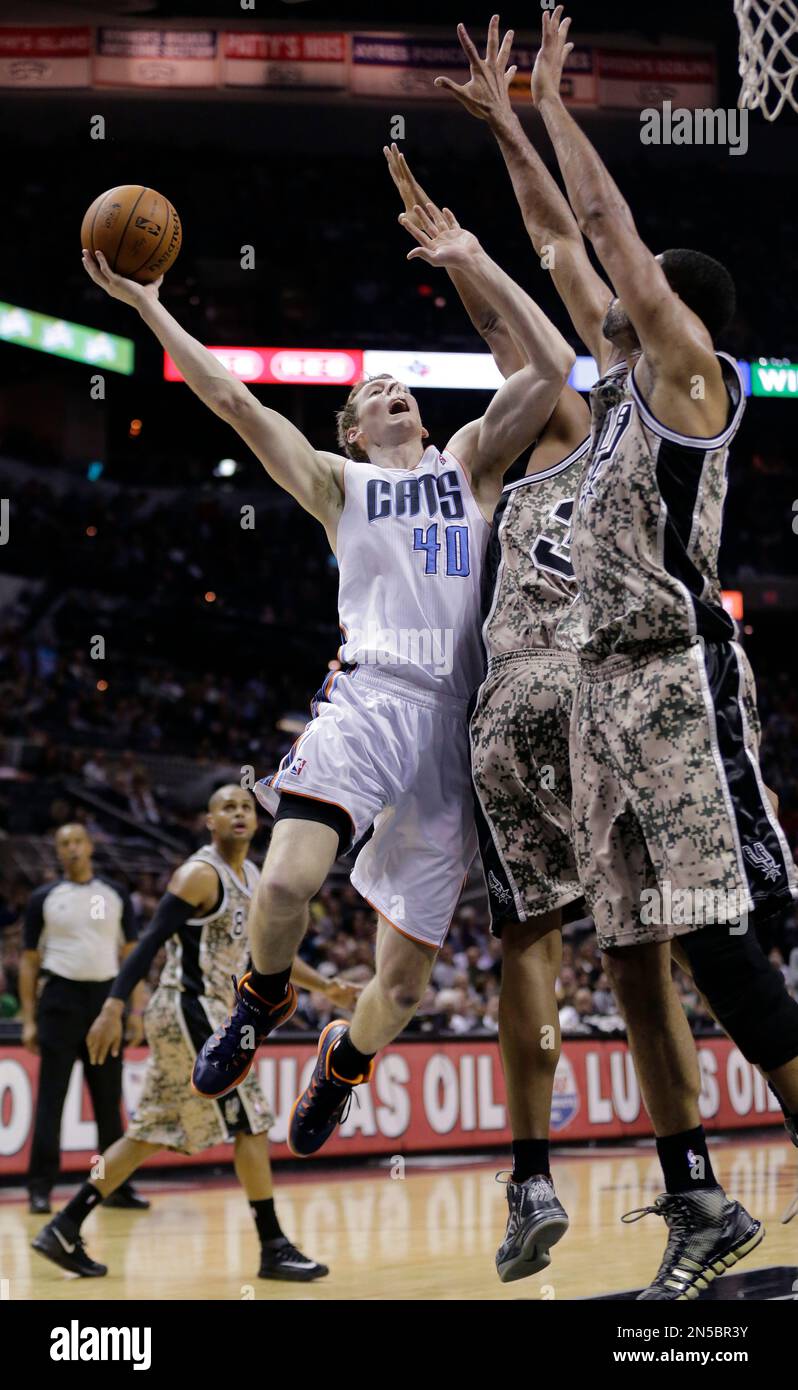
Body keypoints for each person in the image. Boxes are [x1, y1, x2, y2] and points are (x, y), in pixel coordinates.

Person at [81, 190, 575, 1155]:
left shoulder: (468, 464)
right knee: (282, 886)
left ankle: (342, 1063)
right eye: (376, 391)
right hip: (372, 697)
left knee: (400, 987)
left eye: (405, 387)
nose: (397, 392)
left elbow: (554, 367)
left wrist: (470, 258)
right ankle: (258, 1002)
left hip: (457, 734)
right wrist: (147, 306)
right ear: (352, 427)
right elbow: (229, 398)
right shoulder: (335, 483)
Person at [523, 7, 798, 1298]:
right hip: (595, 695)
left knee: (724, 941)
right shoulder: (627, 378)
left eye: (642, 300)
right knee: (633, 954)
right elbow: (559, 242)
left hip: (677, 683)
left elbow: (614, 250)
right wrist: (510, 120)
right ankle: (697, 1198)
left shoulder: (696, 378)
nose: (619, 309)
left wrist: (562, 103)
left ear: (680, 311)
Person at [384, 133, 588, 1282]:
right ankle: (682, 1174)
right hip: (579, 702)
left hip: (541, 697)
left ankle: (534, 1175)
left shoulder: (568, 423)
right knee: (673, 952)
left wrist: (469, 253)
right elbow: (536, 343)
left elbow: (541, 347)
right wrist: (464, 257)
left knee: (536, 953)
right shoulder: (587, 427)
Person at [32, 786, 356, 1282]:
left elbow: (272, 959)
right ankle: (273, 1245)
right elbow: (147, 944)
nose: (240, 814)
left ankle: (64, 1223)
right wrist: (114, 1006)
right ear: (209, 820)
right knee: (250, 1122)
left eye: (247, 806)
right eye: (227, 807)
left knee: (148, 1133)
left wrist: (328, 987)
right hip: (190, 1009)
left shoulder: (255, 877)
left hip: (202, 1014)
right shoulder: (198, 875)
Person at [20, 823, 148, 1215]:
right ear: (57, 852)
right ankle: (40, 1189)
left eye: (77, 841)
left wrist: (136, 1011)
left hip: (104, 1003)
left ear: (90, 846)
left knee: (109, 1103)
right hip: (59, 1000)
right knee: (51, 1102)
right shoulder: (44, 897)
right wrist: (29, 1019)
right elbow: (29, 962)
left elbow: (131, 955)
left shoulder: (113, 895)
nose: (71, 848)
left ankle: (114, 1186)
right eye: (63, 844)